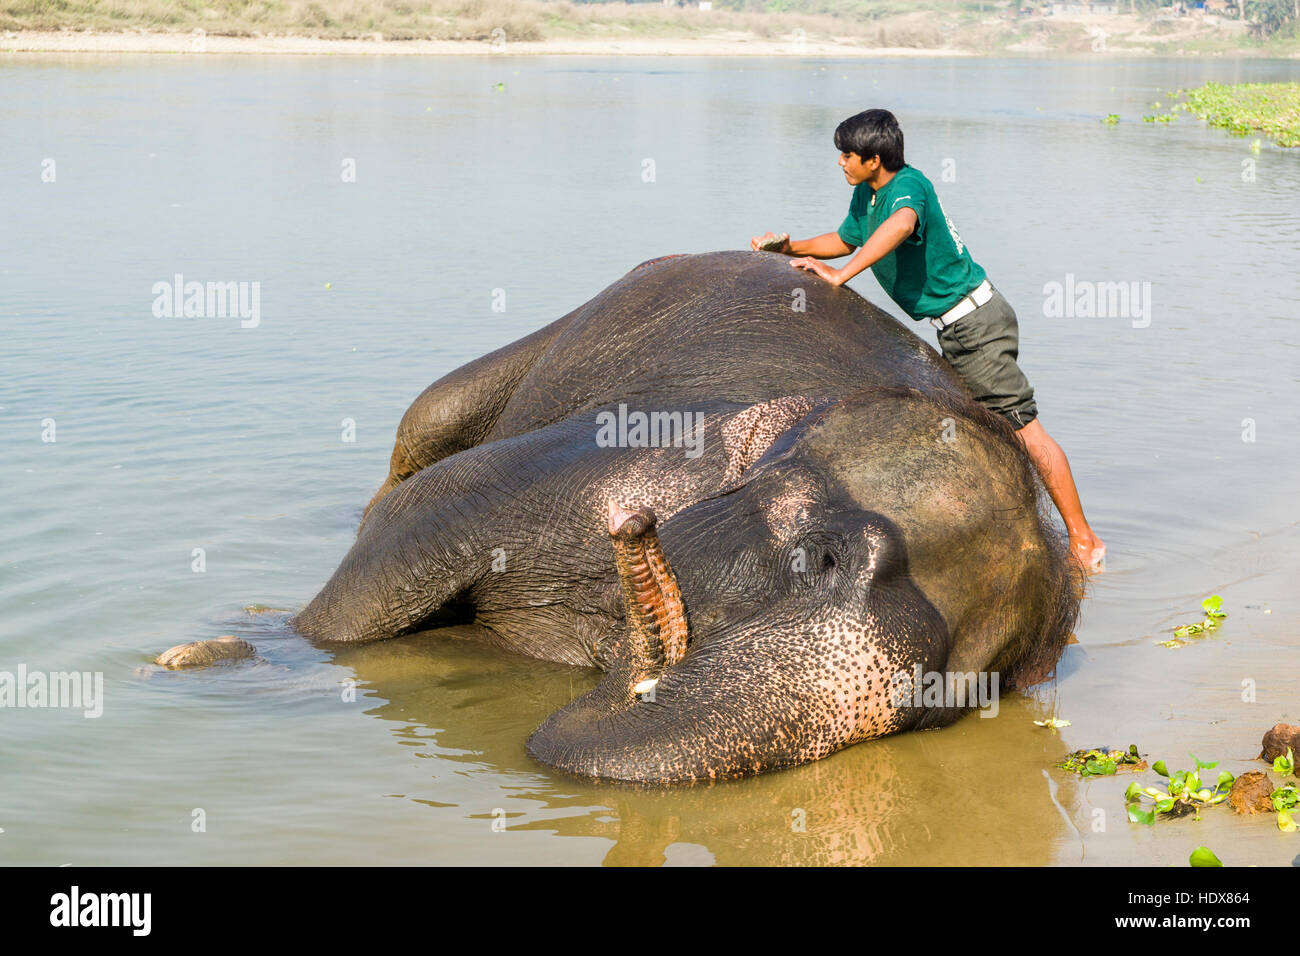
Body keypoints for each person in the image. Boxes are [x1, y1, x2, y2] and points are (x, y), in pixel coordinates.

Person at [751, 108, 1105, 572]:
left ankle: (1085, 543)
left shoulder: (909, 187)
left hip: (975, 322)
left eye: (847, 155)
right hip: (954, 328)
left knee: (1024, 430)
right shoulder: (867, 194)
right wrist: (791, 248)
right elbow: (845, 239)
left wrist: (840, 278)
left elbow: (898, 228)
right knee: (981, 430)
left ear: (874, 159)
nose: (840, 162)